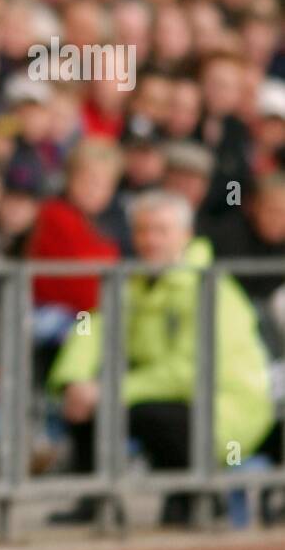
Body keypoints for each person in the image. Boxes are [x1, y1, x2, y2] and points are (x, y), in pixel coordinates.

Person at [47, 189, 277, 526]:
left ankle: (196, 499)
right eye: (142, 230)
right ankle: (95, 500)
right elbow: (94, 329)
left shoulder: (208, 287)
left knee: (150, 413)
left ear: (186, 235)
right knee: (85, 400)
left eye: (161, 230)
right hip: (172, 395)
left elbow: (189, 371)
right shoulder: (135, 281)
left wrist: (106, 389)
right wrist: (75, 380)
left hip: (229, 408)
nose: (149, 240)